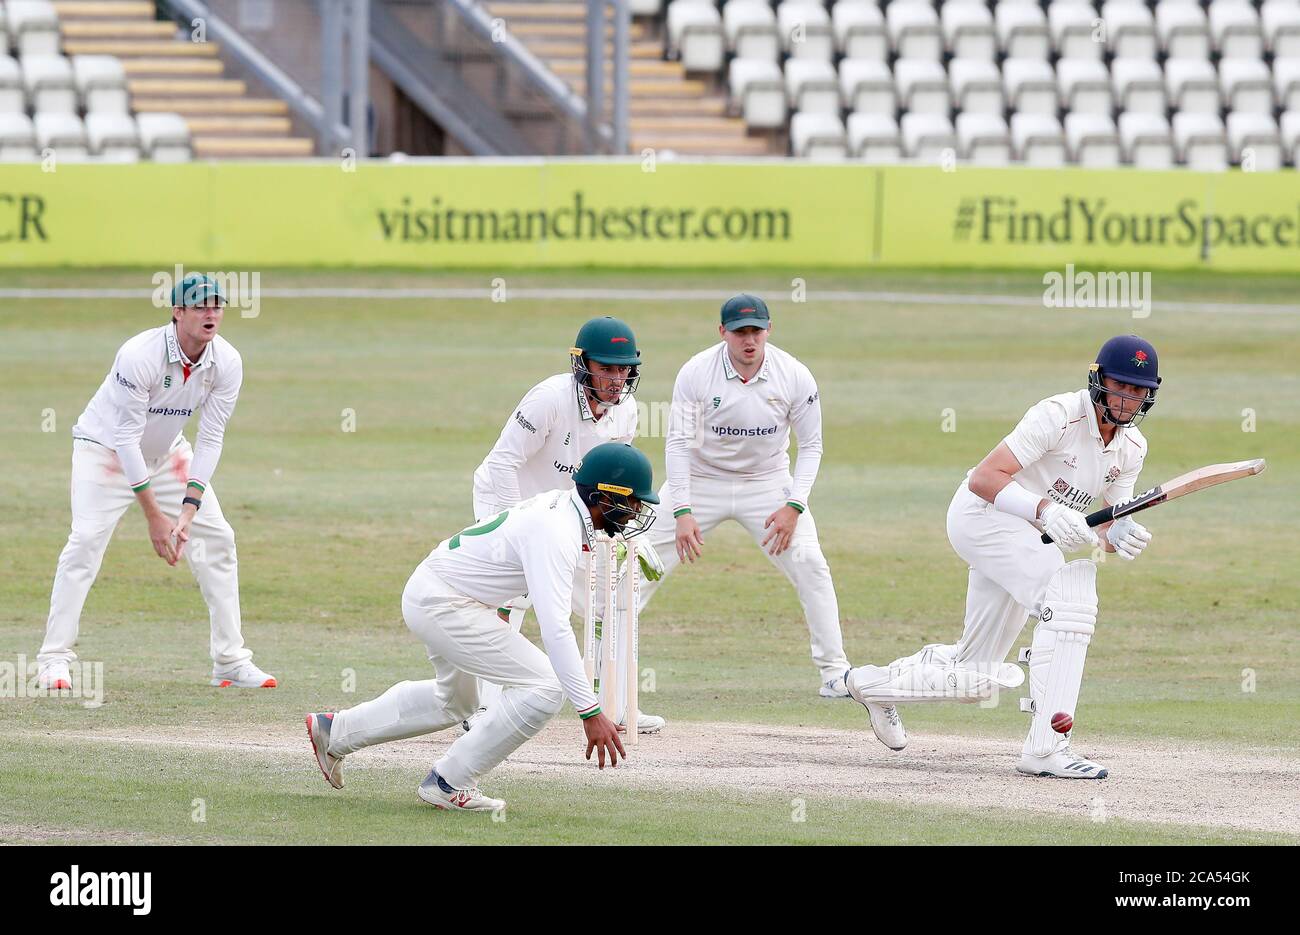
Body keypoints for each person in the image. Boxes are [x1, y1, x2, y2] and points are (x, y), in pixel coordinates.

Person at [845, 335, 1159, 778]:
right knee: (1068, 597)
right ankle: (1047, 748)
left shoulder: (1132, 449)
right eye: (1119, 386)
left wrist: (1120, 532)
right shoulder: (1058, 416)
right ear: (1098, 380)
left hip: (1028, 538)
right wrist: (1046, 510)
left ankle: (872, 684)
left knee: (975, 678)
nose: (1127, 399)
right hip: (983, 517)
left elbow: (1107, 521)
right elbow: (983, 478)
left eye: (1137, 391)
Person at [306, 443, 659, 812]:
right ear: (604, 497)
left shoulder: (564, 512)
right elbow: (556, 629)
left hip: (443, 594)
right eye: (633, 502)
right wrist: (590, 711)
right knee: (545, 686)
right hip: (446, 603)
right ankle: (449, 782)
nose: (636, 512)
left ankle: (335, 731)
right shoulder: (557, 531)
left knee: (456, 701)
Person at [37, 273, 275, 691]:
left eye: (217, 305)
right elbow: (126, 439)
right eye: (200, 305)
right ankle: (53, 660)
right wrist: (155, 519)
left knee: (217, 537)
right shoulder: (139, 355)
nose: (211, 313)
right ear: (177, 312)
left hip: (168, 453)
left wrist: (187, 510)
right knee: (86, 540)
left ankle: (230, 661)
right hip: (104, 451)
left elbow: (211, 436)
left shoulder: (227, 361)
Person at [633, 294, 853, 698]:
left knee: (811, 564)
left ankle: (835, 674)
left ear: (769, 330)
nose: (748, 340)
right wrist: (681, 510)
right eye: (739, 332)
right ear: (723, 333)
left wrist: (794, 505)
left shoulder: (794, 375)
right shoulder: (696, 373)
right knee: (636, 567)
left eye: (756, 330)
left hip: (768, 484)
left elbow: (812, 447)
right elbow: (678, 443)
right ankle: (606, 680)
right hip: (700, 480)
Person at [465, 316, 665, 733]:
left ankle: (618, 702)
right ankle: (484, 710)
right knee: (510, 596)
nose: (615, 378)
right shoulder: (549, 398)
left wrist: (610, 529)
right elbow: (502, 465)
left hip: (565, 510)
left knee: (610, 593)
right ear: (582, 364)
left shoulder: (626, 410)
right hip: (508, 499)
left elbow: (613, 478)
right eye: (606, 367)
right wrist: (514, 529)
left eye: (623, 368)